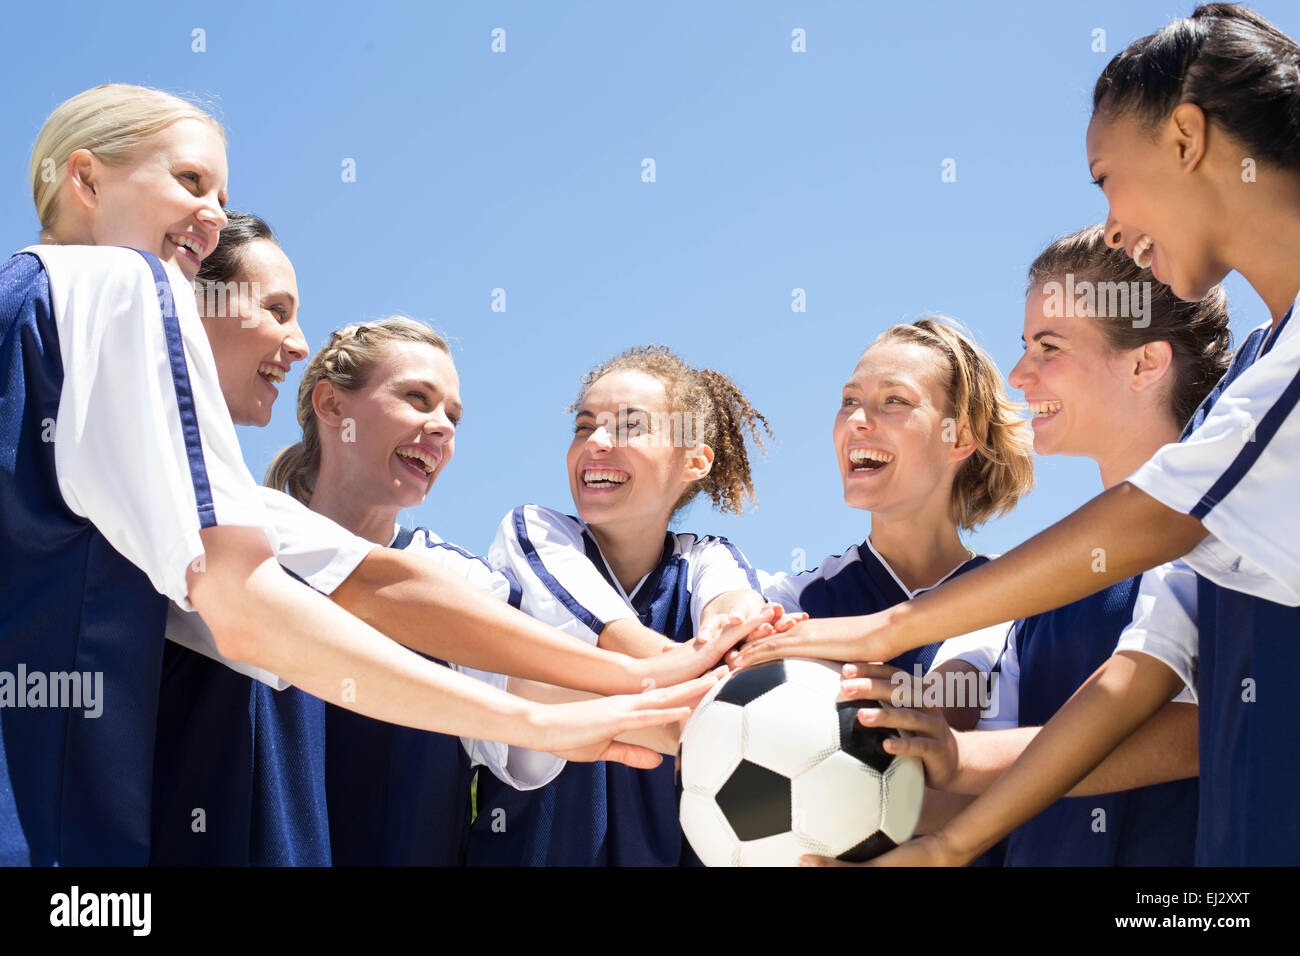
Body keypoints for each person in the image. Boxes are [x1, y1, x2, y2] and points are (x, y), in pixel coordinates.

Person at [0, 86, 713, 867]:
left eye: (221, 195)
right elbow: (257, 600)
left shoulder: (32, 314)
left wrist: (636, 678)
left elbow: (366, 581)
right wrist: (557, 715)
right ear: (86, 179)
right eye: (191, 182)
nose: (210, 215)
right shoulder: (123, 287)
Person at [736, 4, 1300, 867]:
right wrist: (954, 842)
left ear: (1186, 137)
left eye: (1107, 176)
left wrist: (884, 629)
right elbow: (1142, 669)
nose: (1112, 223)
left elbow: (1157, 520)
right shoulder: (1258, 368)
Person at [852, 225, 1230, 865]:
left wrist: (960, 757)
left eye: (1048, 347)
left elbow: (1202, 732)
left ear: (1145, 363)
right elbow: (973, 787)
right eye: (1025, 346)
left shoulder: (1226, 534)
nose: (1021, 374)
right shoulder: (1022, 603)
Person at [469, 345, 781, 866]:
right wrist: (711, 679)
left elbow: (738, 621)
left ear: (696, 460)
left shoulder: (709, 558)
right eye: (584, 425)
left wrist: (746, 643)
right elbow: (630, 647)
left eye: (630, 426)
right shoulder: (534, 532)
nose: (596, 442)